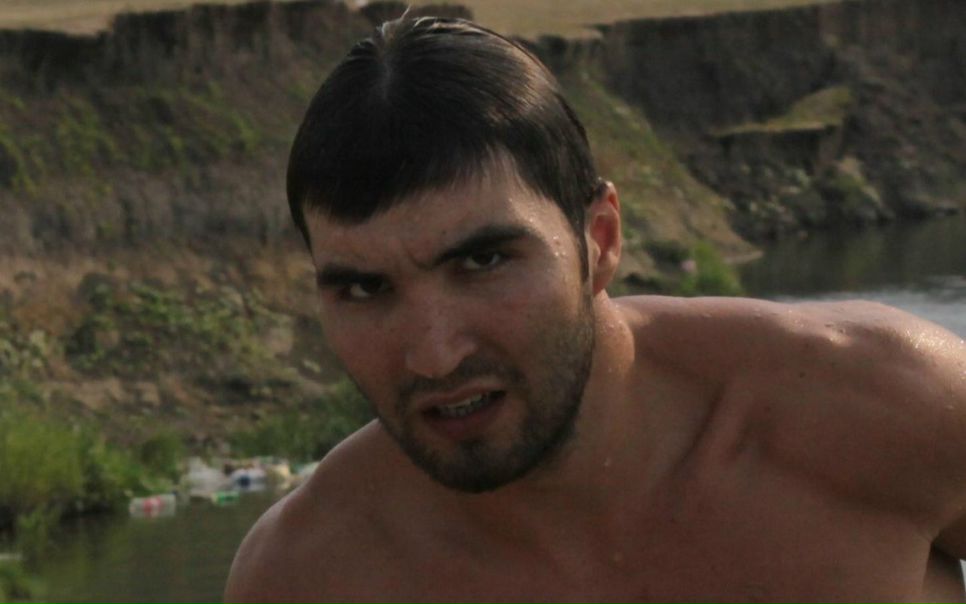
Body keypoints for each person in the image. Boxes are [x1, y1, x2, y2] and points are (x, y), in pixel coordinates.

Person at [224, 15, 966, 602]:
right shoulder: (311, 575)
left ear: (600, 240)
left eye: (483, 262)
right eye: (365, 289)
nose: (435, 355)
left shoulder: (883, 409)